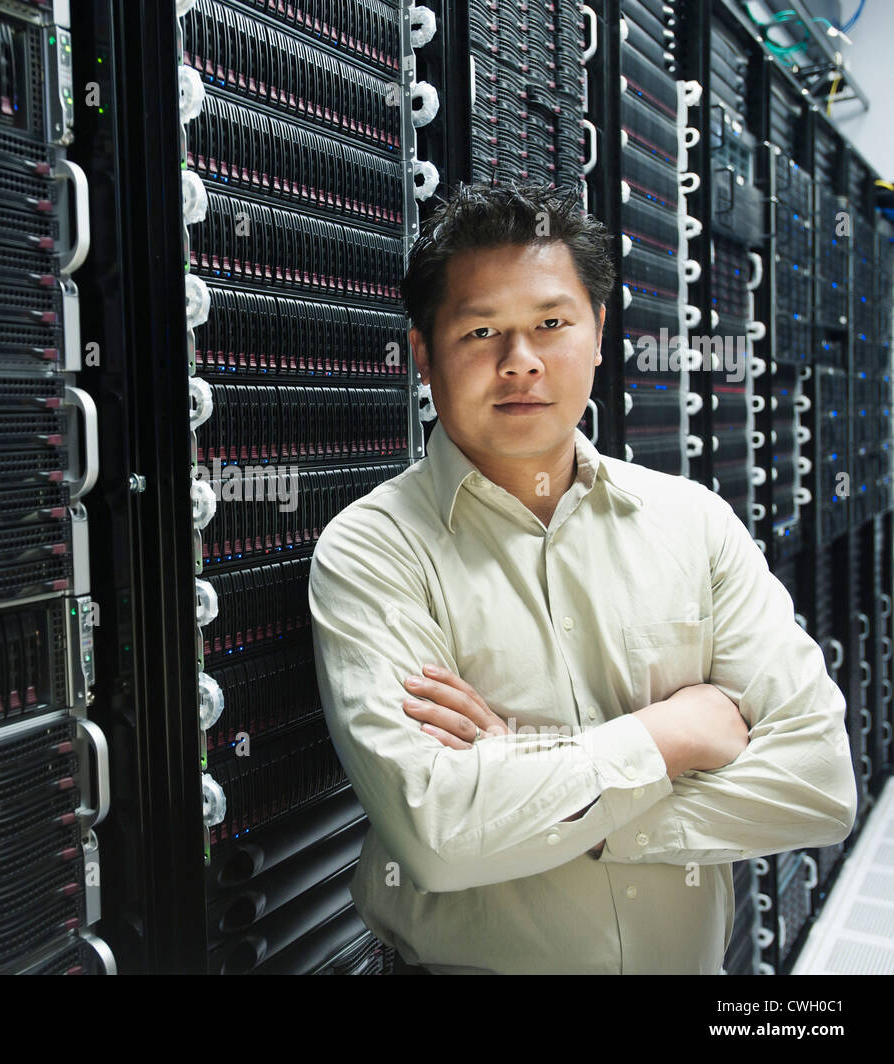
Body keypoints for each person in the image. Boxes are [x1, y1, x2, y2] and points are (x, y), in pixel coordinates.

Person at [307, 181, 857, 974]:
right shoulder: (375, 552)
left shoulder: (692, 524)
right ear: (424, 352)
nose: (520, 362)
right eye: (482, 330)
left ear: (598, 333)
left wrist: (565, 799)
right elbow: (441, 836)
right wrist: (669, 737)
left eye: (551, 325)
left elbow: (819, 782)